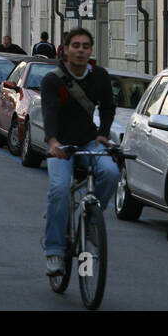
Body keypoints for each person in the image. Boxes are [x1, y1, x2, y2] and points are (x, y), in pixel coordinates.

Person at [39, 27, 117, 278]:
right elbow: (49, 112)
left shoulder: (100, 76)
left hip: (87, 141)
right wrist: (52, 141)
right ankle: (54, 251)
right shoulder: (53, 79)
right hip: (61, 145)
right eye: (76, 45)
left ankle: (92, 221)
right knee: (59, 190)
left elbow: (108, 107)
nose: (81, 50)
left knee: (111, 172)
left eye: (85, 46)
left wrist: (103, 133)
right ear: (66, 50)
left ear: (91, 50)